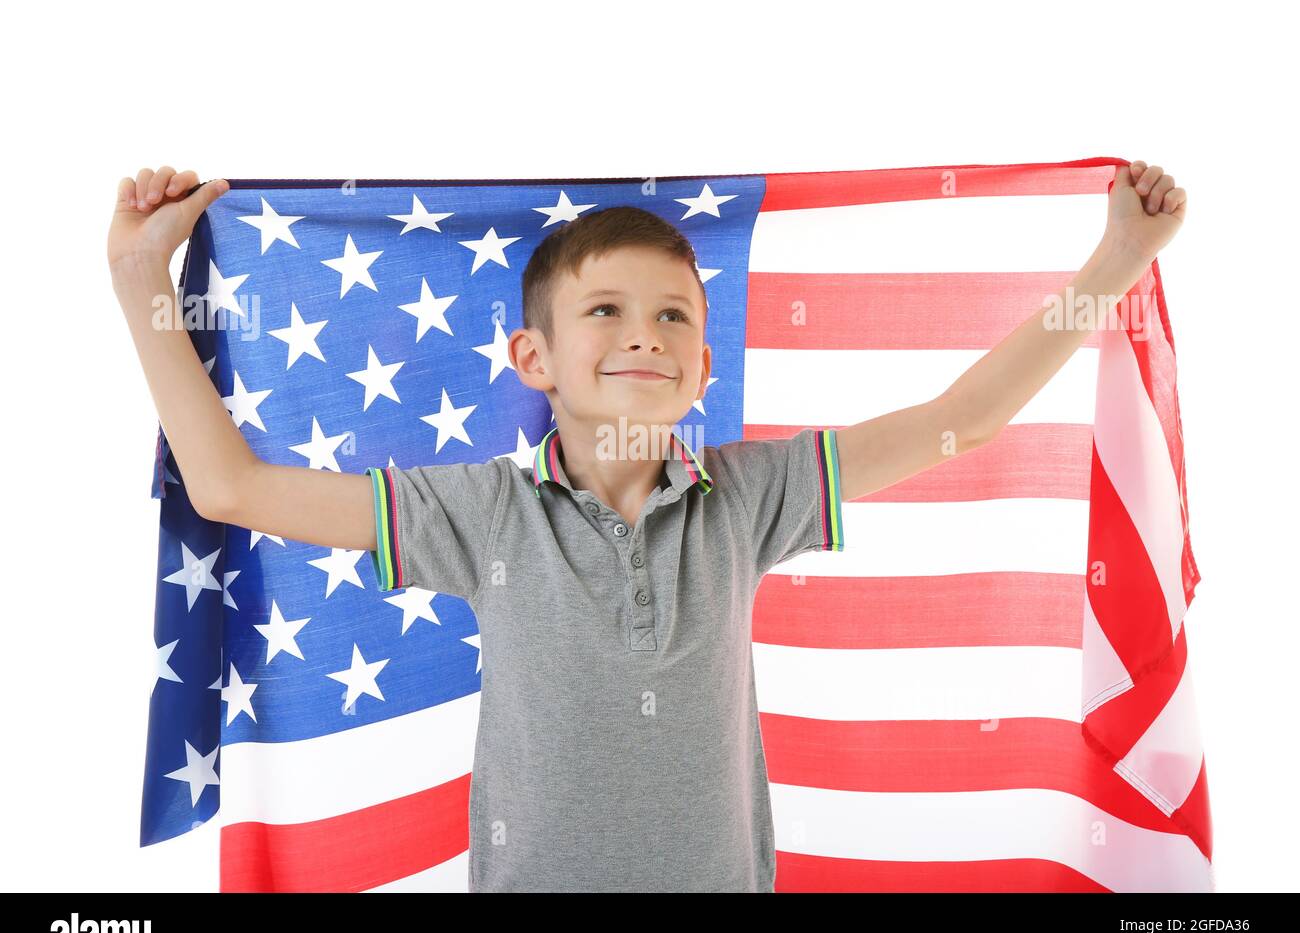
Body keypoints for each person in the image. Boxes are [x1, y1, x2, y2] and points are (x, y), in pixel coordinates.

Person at [108, 161, 1187, 891]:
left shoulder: (752, 495)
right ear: (535, 361)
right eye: (605, 311)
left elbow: (963, 421)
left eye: (674, 314)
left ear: (703, 370)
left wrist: (1115, 262)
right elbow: (231, 488)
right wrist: (138, 278)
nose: (645, 335)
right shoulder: (476, 509)